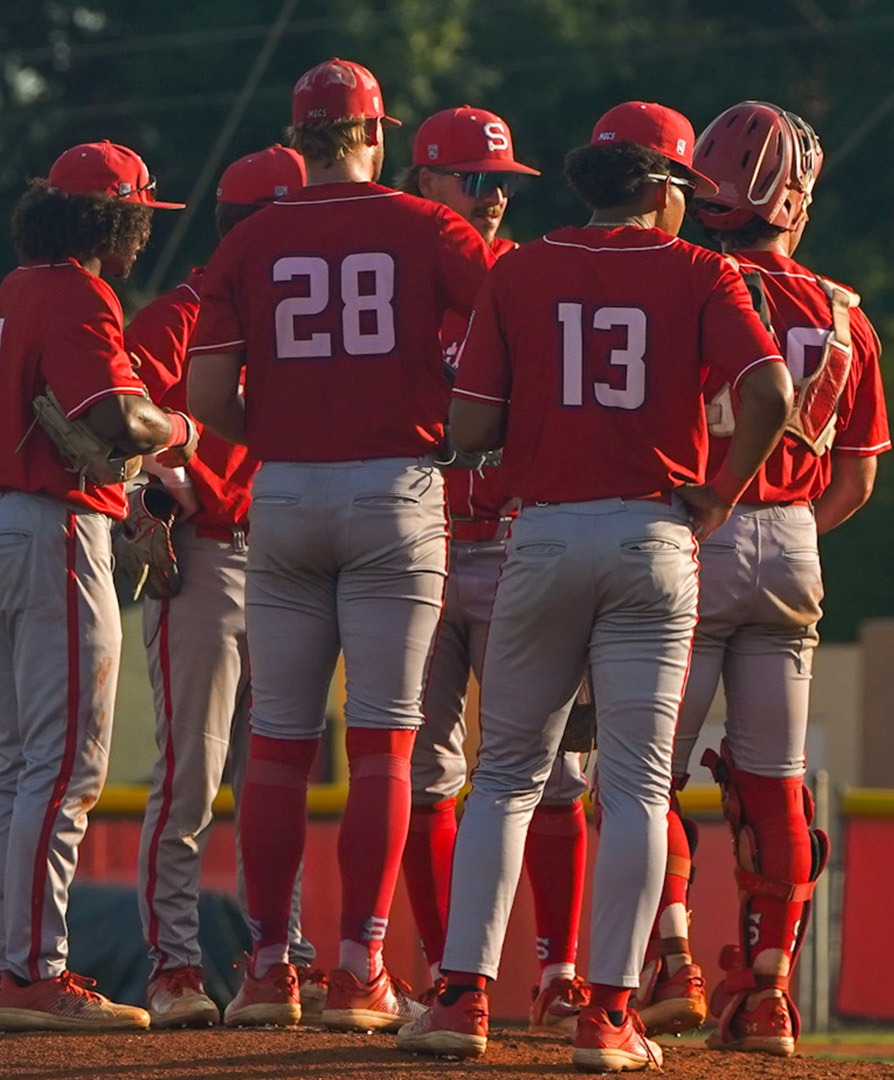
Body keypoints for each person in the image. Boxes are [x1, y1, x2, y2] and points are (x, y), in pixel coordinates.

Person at [397, 100, 794, 1072]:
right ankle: (607, 1016)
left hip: (542, 532)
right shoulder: (702, 271)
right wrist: (719, 495)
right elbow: (774, 393)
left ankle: (460, 1000)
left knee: (505, 778)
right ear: (662, 188)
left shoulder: (522, 268)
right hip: (654, 533)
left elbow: (475, 427)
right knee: (632, 783)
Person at [184, 58, 493, 1033]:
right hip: (395, 488)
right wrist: (455, 425)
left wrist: (279, 434)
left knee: (276, 743)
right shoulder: (425, 224)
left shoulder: (256, 236)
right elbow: (509, 323)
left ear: (297, 136)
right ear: (379, 132)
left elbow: (201, 399)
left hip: (283, 490)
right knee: (384, 742)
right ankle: (362, 964)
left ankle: (271, 964)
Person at [643, 100, 893, 1054]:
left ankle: (669, 964)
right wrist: (792, 527)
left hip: (689, 530)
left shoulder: (685, 282)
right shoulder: (844, 313)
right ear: (791, 199)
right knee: (775, 784)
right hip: (793, 543)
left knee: (644, 774)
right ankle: (770, 995)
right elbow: (860, 475)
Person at [0, 140, 193, 1032]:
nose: (142, 239)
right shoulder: (78, 294)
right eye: (139, 218)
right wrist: (180, 428)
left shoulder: (15, 288)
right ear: (113, 218)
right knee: (63, 768)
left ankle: (6, 971)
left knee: (21, 764)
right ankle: (33, 975)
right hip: (52, 532)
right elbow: (118, 418)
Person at [394, 104, 591, 1036]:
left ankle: (561, 975)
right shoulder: (391, 284)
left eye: (507, 185)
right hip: (421, 547)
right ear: (424, 180)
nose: (497, 200)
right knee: (424, 773)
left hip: (520, 546)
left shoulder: (526, 280)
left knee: (556, 774)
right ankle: (447, 977)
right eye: (479, 182)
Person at [126, 144, 324, 1028]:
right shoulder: (176, 318)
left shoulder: (302, 311)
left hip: (289, 556)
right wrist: (156, 495)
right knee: (194, 779)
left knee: (275, 775)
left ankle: (280, 957)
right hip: (204, 556)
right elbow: (130, 443)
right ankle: (174, 966)